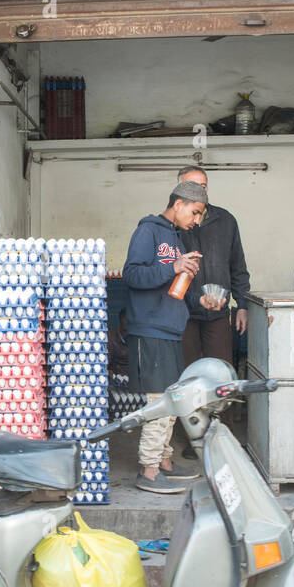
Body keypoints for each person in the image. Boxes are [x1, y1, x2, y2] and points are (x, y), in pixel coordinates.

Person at [122, 180, 209, 494]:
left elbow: (175, 287)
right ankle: (148, 470)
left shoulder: (178, 238)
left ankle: (165, 463)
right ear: (179, 204)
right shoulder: (148, 231)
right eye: (195, 212)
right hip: (150, 329)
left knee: (171, 401)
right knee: (158, 402)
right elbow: (132, 274)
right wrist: (172, 267)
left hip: (171, 330)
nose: (197, 220)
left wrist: (198, 300)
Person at [174, 164, 252, 457]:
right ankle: (194, 441)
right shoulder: (172, 225)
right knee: (189, 378)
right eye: (192, 185)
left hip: (219, 314)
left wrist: (241, 305)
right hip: (183, 315)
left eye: (203, 185)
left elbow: (238, 267)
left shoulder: (225, 220)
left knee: (222, 375)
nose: (199, 191)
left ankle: (224, 439)